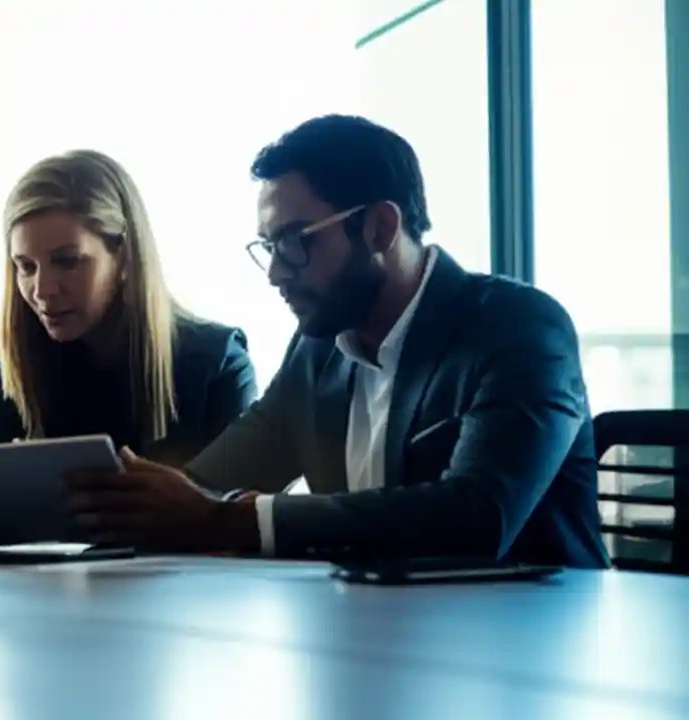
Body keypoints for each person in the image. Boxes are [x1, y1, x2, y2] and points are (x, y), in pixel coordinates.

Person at [65, 115, 609, 568]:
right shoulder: (318, 349)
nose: (276, 272)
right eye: (268, 247)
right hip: (377, 643)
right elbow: (207, 487)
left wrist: (223, 518)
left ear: (379, 227)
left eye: (295, 242)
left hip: (531, 645)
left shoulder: (520, 329)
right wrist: (107, 505)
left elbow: (477, 518)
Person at [0, 149, 258, 549]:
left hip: (187, 596)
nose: (42, 290)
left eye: (68, 262)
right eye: (25, 266)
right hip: (33, 598)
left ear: (124, 256)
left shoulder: (216, 362)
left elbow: (237, 517)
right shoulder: (6, 362)